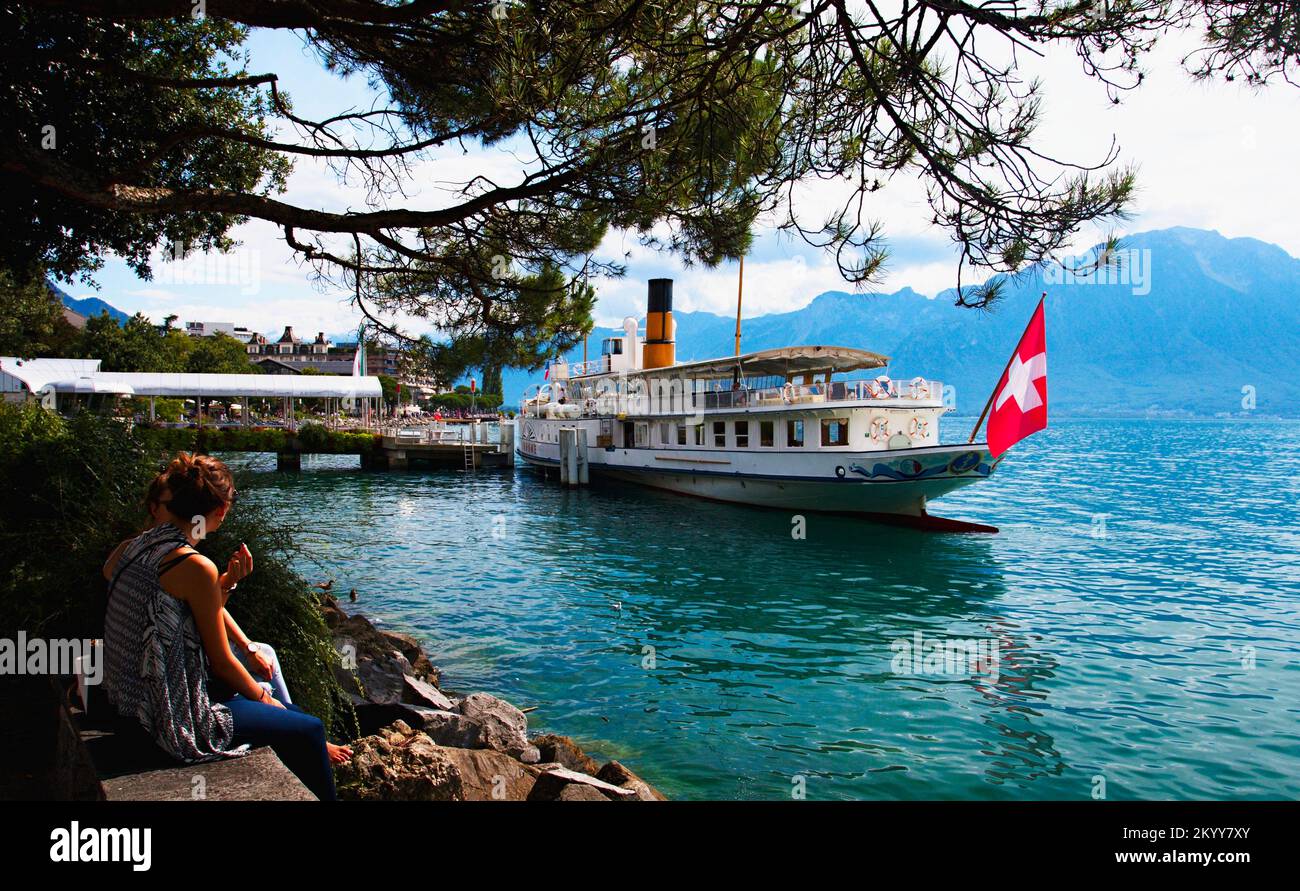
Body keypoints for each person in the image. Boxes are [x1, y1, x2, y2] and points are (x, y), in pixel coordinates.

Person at [102, 453, 350, 800]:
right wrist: (266, 699)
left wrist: (228, 583)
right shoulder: (194, 565)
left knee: (291, 714)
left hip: (127, 706)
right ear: (219, 510)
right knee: (309, 729)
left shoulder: (134, 547)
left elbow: (171, 611)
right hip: (165, 720)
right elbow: (221, 662)